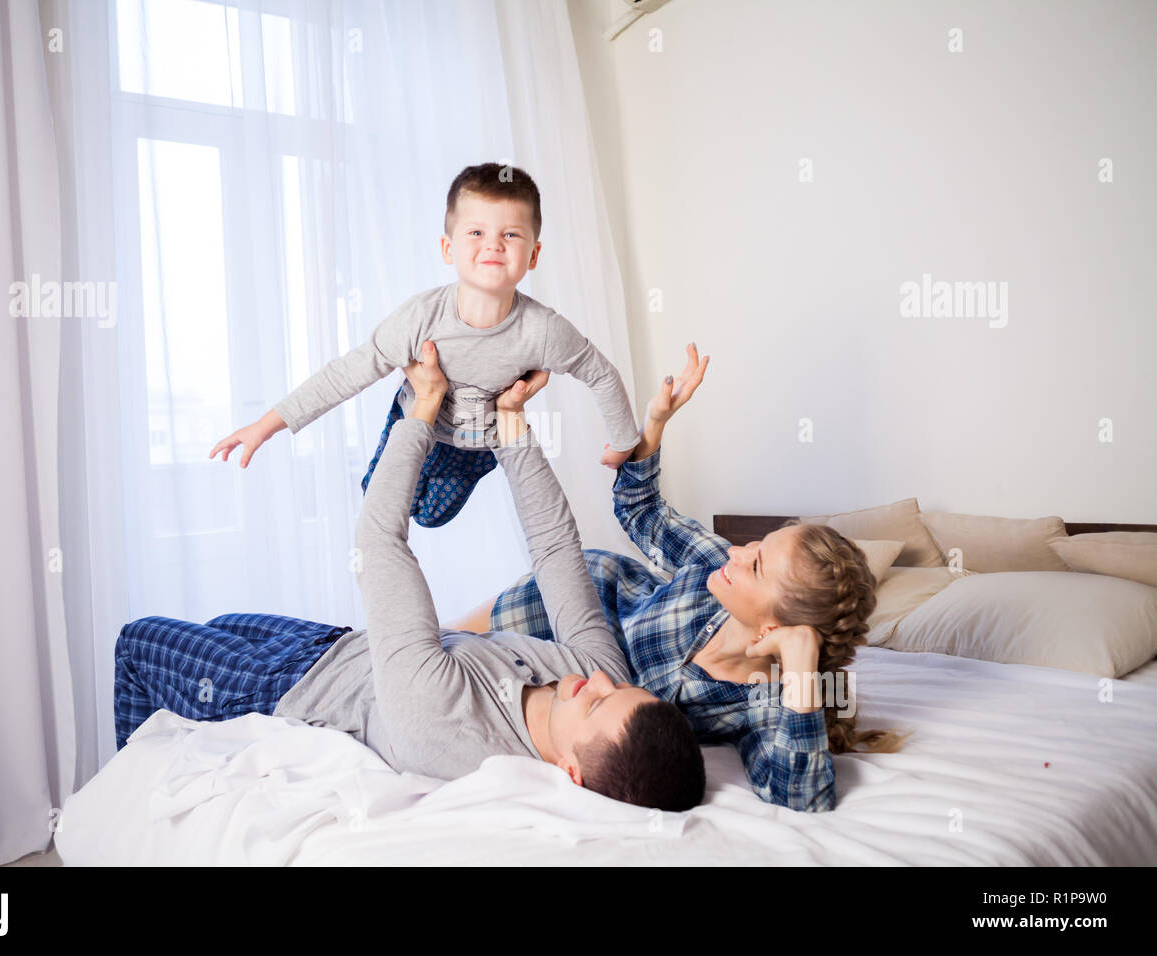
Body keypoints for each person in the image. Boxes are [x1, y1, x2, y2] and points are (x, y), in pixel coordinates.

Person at [115, 343, 706, 811]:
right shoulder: (597, 679)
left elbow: (380, 542)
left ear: (571, 774)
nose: (596, 681)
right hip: (336, 645)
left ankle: (127, 810)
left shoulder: (447, 725)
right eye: (619, 689)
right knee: (217, 623)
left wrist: (422, 411)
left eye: (598, 705)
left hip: (281, 688)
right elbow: (555, 549)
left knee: (137, 642)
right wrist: (510, 425)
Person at [451, 344, 911, 812]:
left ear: (773, 629)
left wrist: (800, 670)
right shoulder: (715, 567)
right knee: (435, 648)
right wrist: (654, 426)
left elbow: (805, 796)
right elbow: (642, 512)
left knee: (456, 695)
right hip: (575, 600)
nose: (737, 551)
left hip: (573, 682)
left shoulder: (762, 703)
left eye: (755, 564)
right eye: (757, 543)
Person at [208, 162, 641, 528]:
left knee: (432, 515)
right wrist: (265, 426)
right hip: (414, 418)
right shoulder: (421, 317)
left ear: (533, 255)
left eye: (510, 235)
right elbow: (348, 372)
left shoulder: (543, 329)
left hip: (474, 442)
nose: (493, 243)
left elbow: (599, 372)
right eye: (476, 232)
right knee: (381, 502)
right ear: (447, 248)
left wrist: (623, 441)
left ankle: (447, 481)